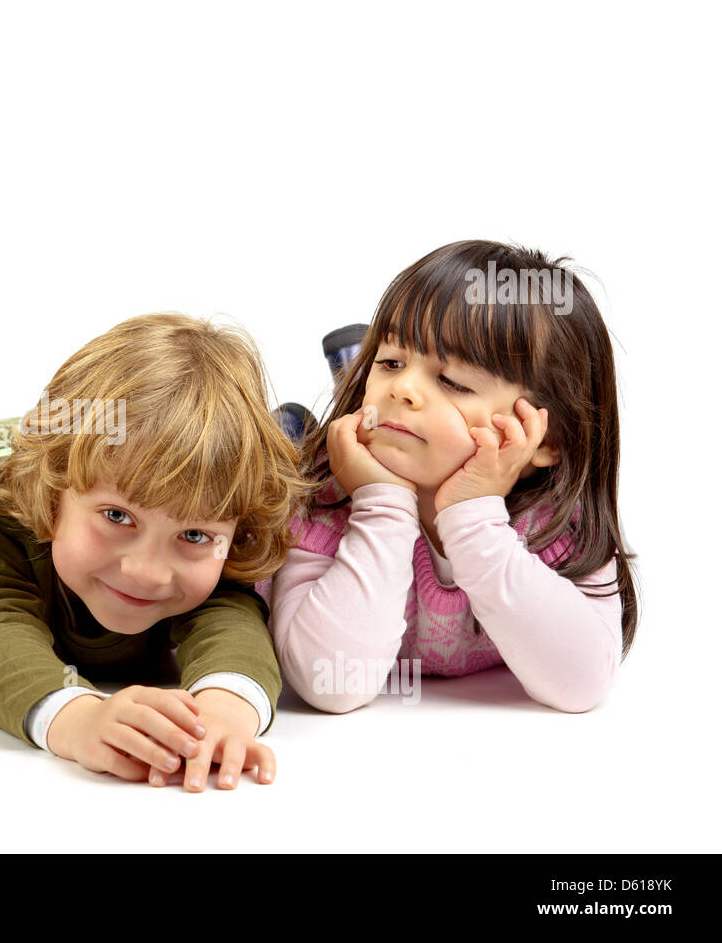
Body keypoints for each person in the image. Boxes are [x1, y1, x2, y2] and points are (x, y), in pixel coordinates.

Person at [0, 314, 310, 790]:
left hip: (86, 448)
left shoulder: (217, 541)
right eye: (117, 517)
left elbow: (231, 622)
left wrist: (221, 713)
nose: (146, 572)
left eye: (192, 536)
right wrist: (78, 719)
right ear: (52, 496)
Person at [270, 240, 638, 713]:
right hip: (320, 469)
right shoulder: (323, 498)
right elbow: (329, 684)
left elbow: (581, 683)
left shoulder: (556, 522)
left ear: (545, 439)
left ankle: (353, 359)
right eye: (389, 362)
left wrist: (474, 517)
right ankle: (310, 413)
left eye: (453, 382)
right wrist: (381, 503)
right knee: (278, 458)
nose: (402, 388)